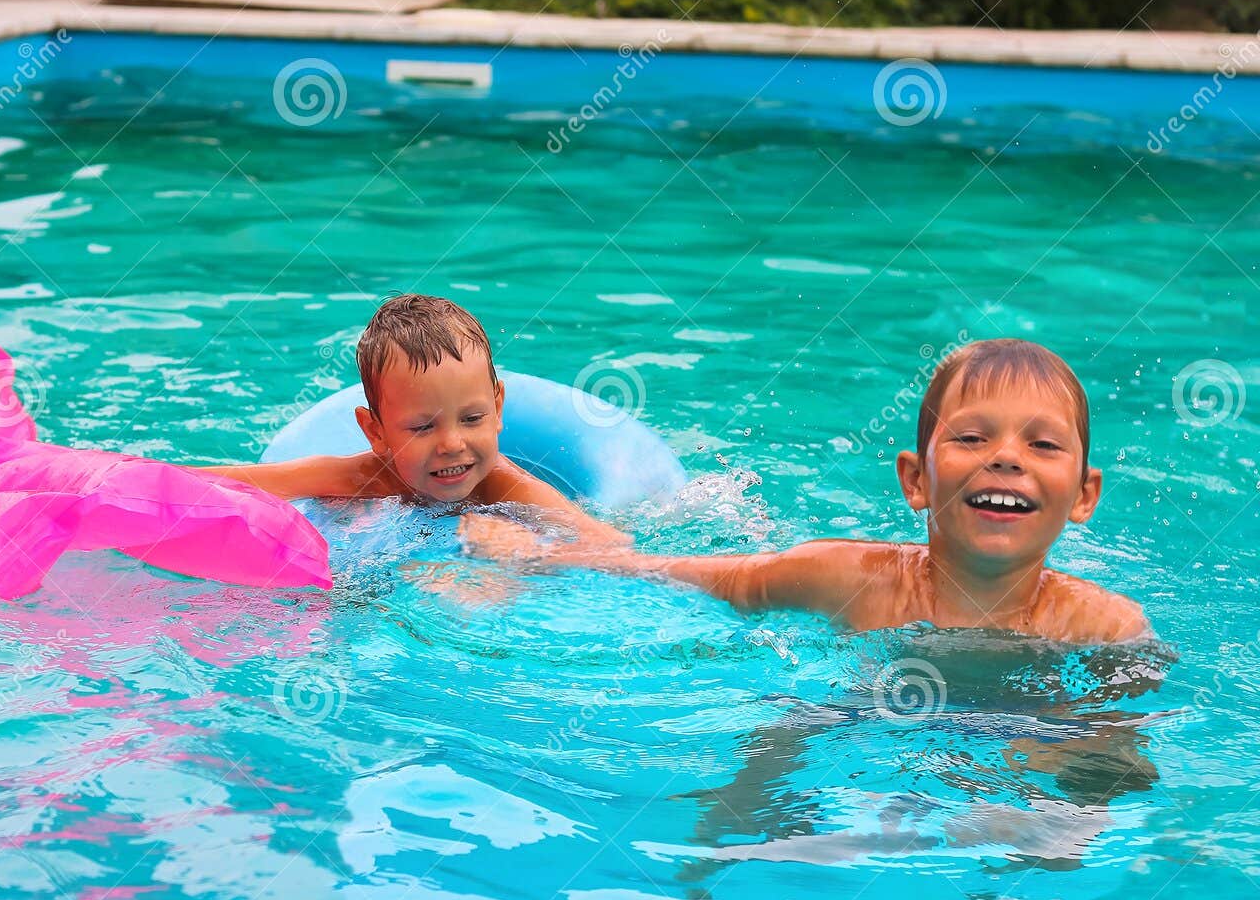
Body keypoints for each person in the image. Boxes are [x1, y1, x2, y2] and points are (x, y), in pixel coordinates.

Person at [461, 338, 1149, 645]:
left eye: (1042, 444)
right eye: (971, 439)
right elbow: (685, 573)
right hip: (857, 725)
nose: (1005, 459)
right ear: (916, 480)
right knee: (774, 749)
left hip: (1027, 752)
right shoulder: (849, 579)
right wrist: (536, 558)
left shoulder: (1102, 628)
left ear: (1084, 495)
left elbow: (1120, 763)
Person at [201, 294, 627, 545]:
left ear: (498, 409)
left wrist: (527, 555)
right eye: (423, 427)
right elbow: (244, 482)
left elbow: (608, 544)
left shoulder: (505, 487)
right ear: (376, 431)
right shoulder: (368, 477)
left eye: (472, 418)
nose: (452, 444)